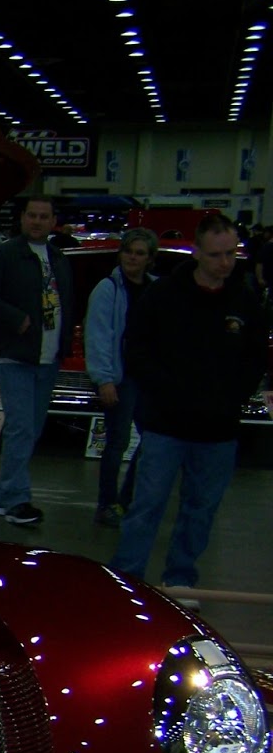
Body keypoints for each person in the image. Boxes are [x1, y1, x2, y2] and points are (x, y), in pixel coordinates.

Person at [111, 213, 273, 591]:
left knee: (200, 511)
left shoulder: (244, 301)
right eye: (217, 254)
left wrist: (231, 396)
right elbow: (137, 349)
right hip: (166, 425)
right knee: (146, 506)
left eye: (231, 253)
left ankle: (181, 580)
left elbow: (254, 358)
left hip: (218, 430)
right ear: (197, 252)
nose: (225, 263)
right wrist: (166, 391)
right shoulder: (163, 295)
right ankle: (127, 580)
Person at [0, 195, 74, 526]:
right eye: (32, 215)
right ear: (22, 218)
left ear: (54, 220)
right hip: (13, 355)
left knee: (32, 428)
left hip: (48, 355)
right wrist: (16, 319)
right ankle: (16, 499)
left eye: (44, 216)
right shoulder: (3, 255)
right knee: (21, 426)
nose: (38, 221)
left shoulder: (58, 258)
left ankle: (4, 497)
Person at [83, 226, 159, 526]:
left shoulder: (155, 290)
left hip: (147, 378)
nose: (133, 258)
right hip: (120, 377)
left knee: (150, 439)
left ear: (149, 259)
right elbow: (98, 335)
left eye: (140, 253)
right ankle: (107, 504)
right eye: (128, 251)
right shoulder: (107, 289)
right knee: (117, 442)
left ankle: (126, 501)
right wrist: (104, 379)